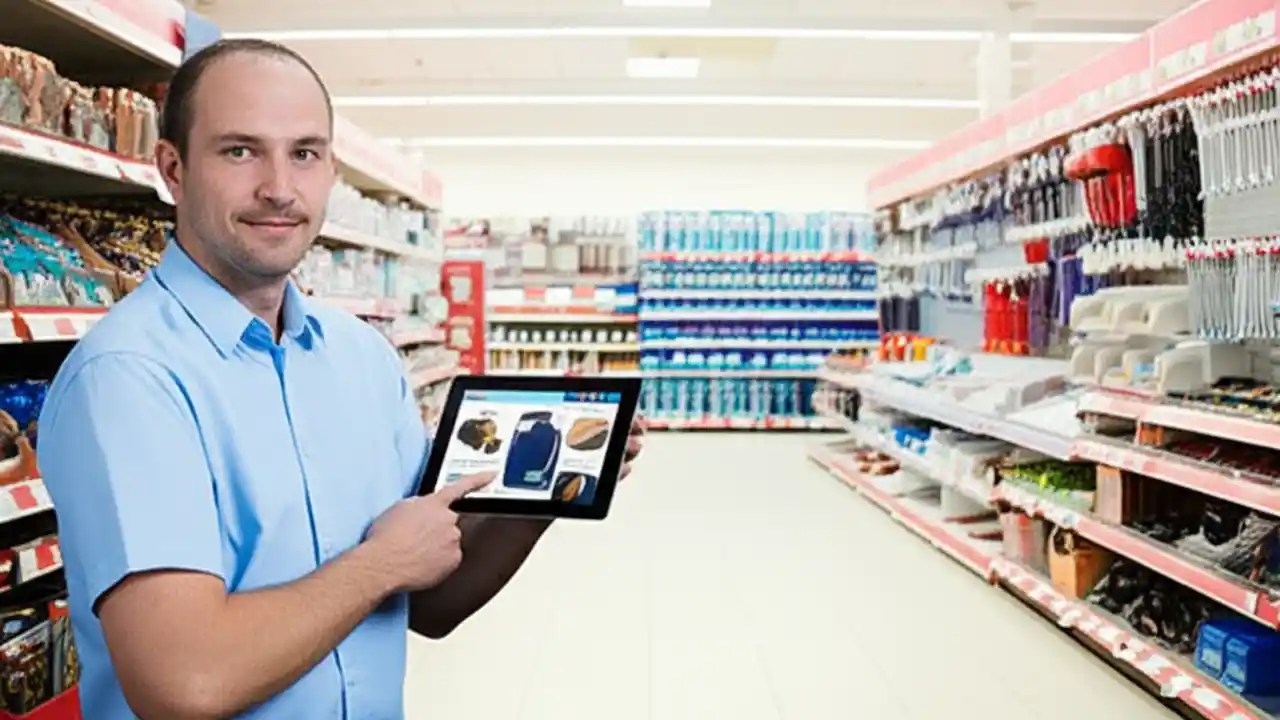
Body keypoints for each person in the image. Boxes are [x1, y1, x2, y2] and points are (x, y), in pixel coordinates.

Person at [36, 39, 645, 719]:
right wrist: (380, 564)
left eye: (305, 153)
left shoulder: (361, 358)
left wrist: (549, 488)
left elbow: (431, 600)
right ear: (172, 169)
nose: (279, 187)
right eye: (240, 151)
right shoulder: (128, 379)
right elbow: (186, 681)